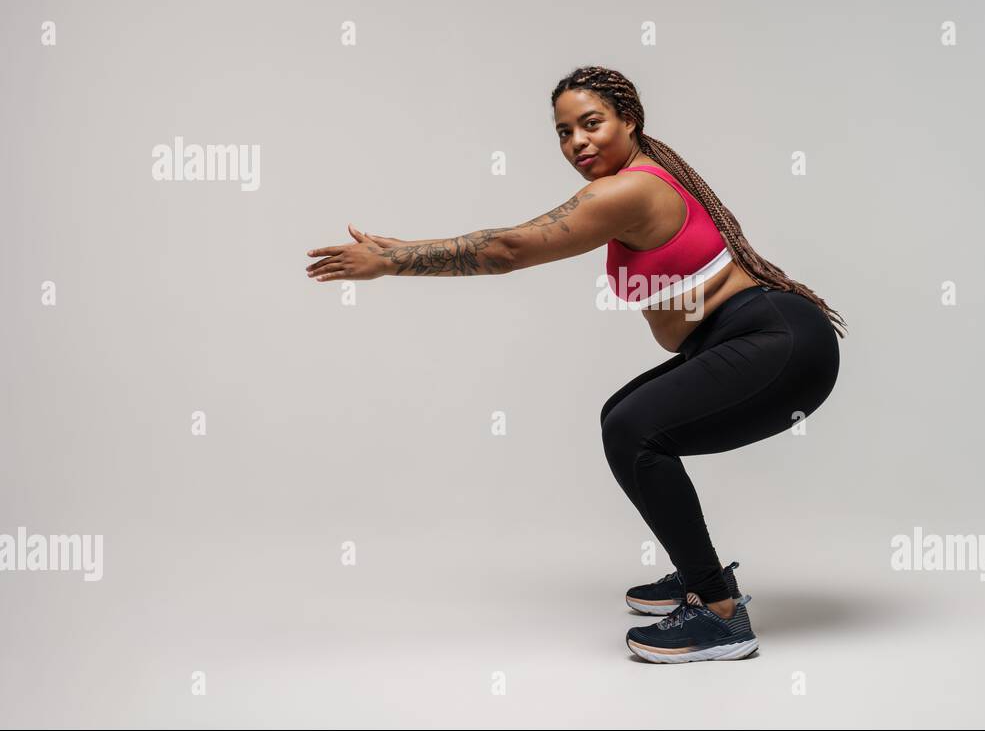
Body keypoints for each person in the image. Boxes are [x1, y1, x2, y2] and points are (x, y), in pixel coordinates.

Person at [305, 66, 845, 663]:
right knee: (623, 416)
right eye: (564, 133)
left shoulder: (627, 190)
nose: (578, 143)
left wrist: (393, 260)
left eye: (592, 124)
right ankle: (701, 574)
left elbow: (510, 248)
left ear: (629, 120)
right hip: (752, 337)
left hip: (778, 340)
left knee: (633, 430)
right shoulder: (640, 179)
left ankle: (718, 613)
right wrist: (395, 254)